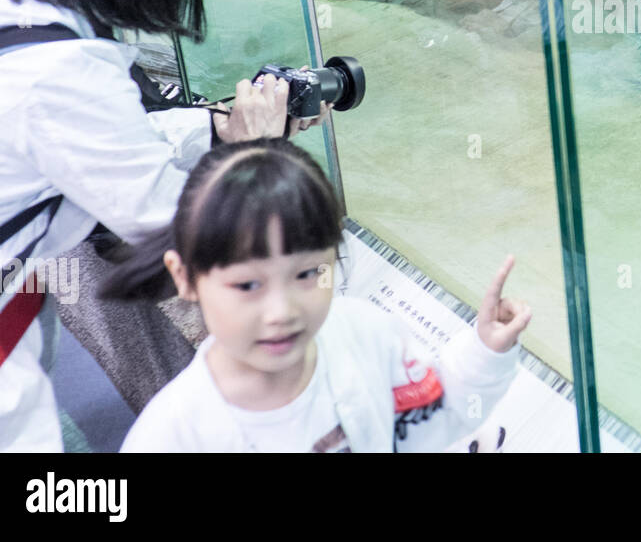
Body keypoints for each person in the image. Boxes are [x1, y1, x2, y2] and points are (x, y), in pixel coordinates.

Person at [0, 0, 323, 451]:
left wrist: (213, 127)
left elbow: (72, 142)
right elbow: (179, 235)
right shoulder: (61, 71)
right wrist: (259, 154)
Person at [102, 139, 529, 451]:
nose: (281, 311)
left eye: (307, 273)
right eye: (248, 284)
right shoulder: (171, 438)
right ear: (186, 277)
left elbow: (431, 419)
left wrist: (485, 352)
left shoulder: (365, 333)